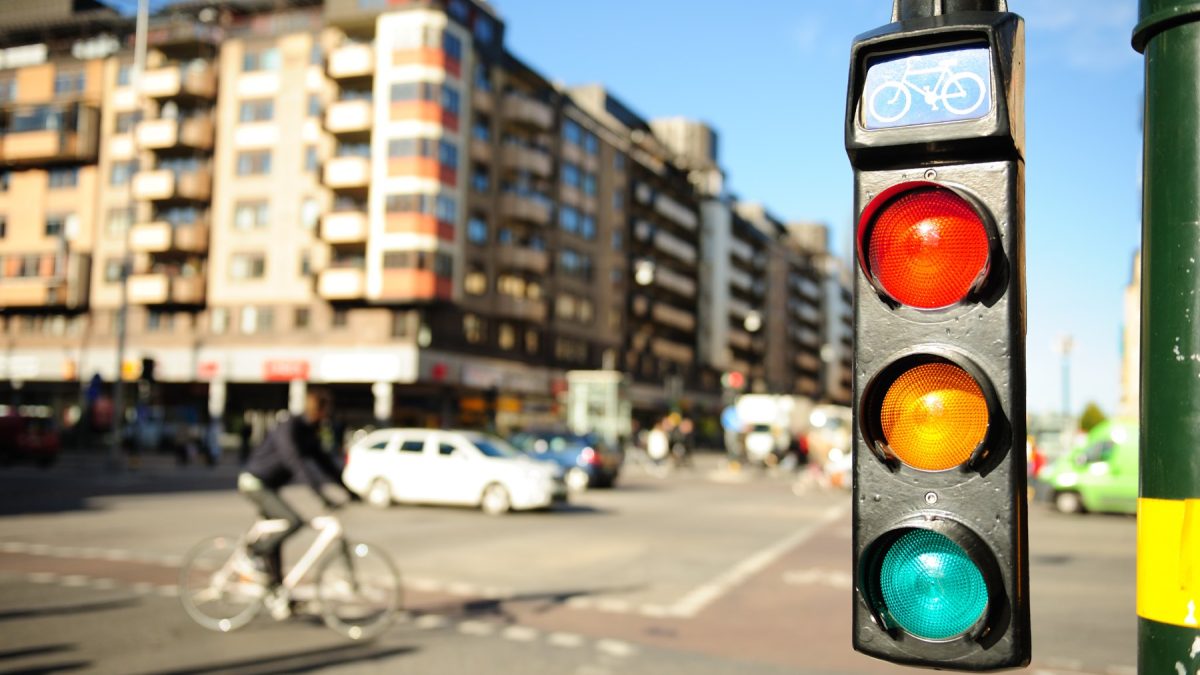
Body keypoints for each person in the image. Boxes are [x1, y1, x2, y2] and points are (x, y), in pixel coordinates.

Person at [237, 389, 358, 587]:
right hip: (255, 482)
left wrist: (349, 490)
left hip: (270, 486)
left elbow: (325, 463)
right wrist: (320, 494)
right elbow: (294, 461)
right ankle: (252, 552)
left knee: (277, 536)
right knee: (292, 521)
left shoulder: (310, 432)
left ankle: (277, 591)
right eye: (327, 411)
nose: (328, 416)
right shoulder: (290, 426)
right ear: (318, 410)